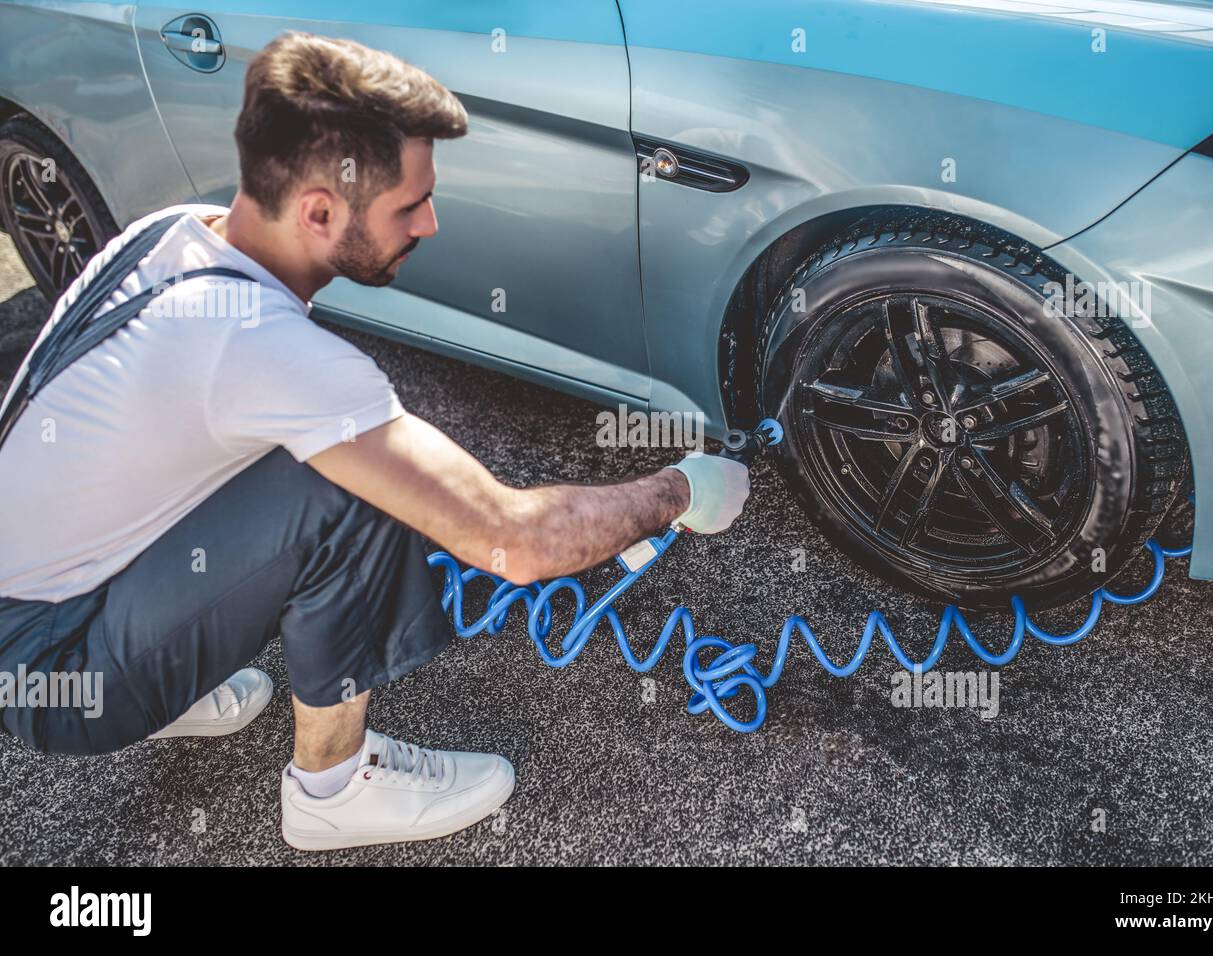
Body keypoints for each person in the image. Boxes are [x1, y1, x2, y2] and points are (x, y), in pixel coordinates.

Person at [0, 32, 750, 851]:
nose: (431, 222)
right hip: (55, 675)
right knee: (351, 484)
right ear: (319, 210)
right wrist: (682, 491)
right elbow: (515, 541)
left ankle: (167, 666)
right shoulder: (261, 349)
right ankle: (332, 789)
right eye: (409, 204)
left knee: (314, 452)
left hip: (38, 605)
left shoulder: (177, 231)